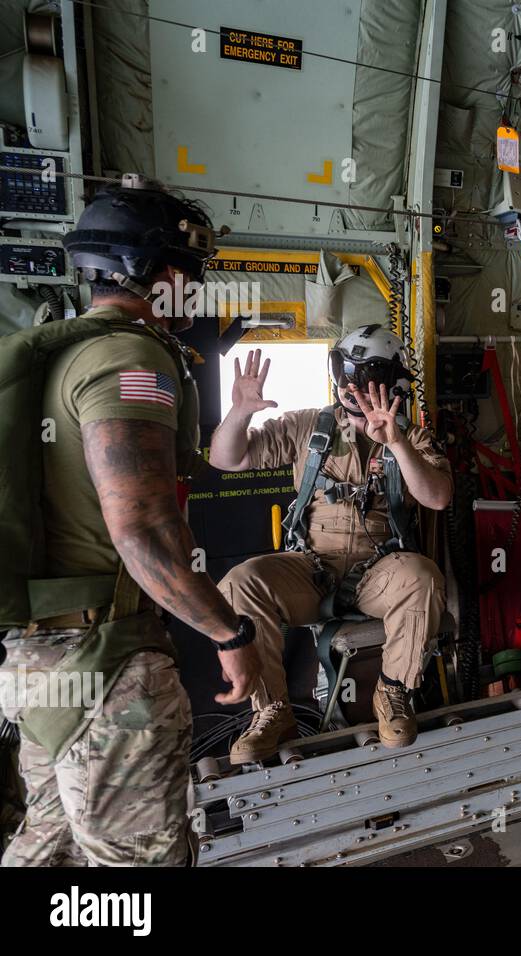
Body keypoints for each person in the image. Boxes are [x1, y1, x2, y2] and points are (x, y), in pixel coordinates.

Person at [0, 175, 259, 866]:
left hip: (41, 662)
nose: (194, 291)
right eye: (188, 273)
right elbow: (141, 529)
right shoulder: (132, 358)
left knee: (48, 850)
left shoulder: (60, 354)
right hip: (107, 669)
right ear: (154, 272)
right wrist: (230, 633)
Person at [209, 325, 452, 761]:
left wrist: (395, 442)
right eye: (348, 382)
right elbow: (226, 457)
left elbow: (437, 496)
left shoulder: (412, 438)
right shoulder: (309, 427)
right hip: (312, 568)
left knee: (424, 577)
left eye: (364, 383)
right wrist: (240, 412)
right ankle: (272, 711)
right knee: (240, 581)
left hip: (381, 572)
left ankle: (393, 692)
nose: (353, 393)